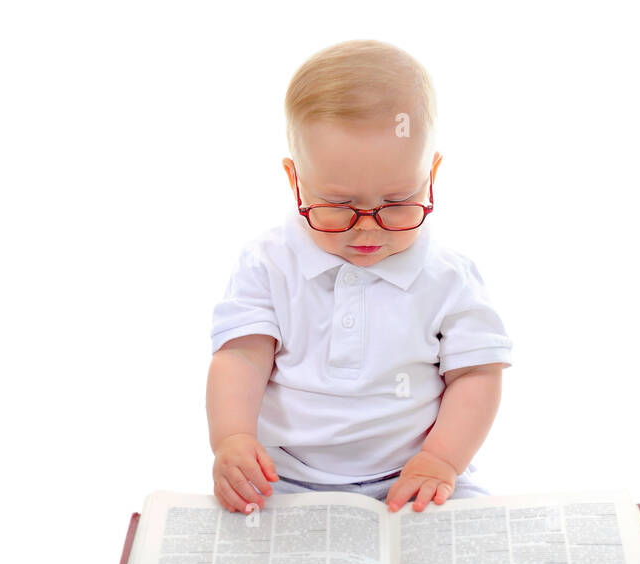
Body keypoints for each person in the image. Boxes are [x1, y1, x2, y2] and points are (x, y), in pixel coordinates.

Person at [208, 40, 514, 515]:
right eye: (337, 206)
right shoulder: (267, 263)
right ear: (295, 182)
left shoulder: (449, 278)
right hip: (283, 476)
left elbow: (476, 374)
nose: (368, 226)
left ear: (431, 175)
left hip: (414, 475)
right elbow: (241, 360)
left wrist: (441, 461)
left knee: (477, 529)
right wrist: (233, 439)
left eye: (397, 202)